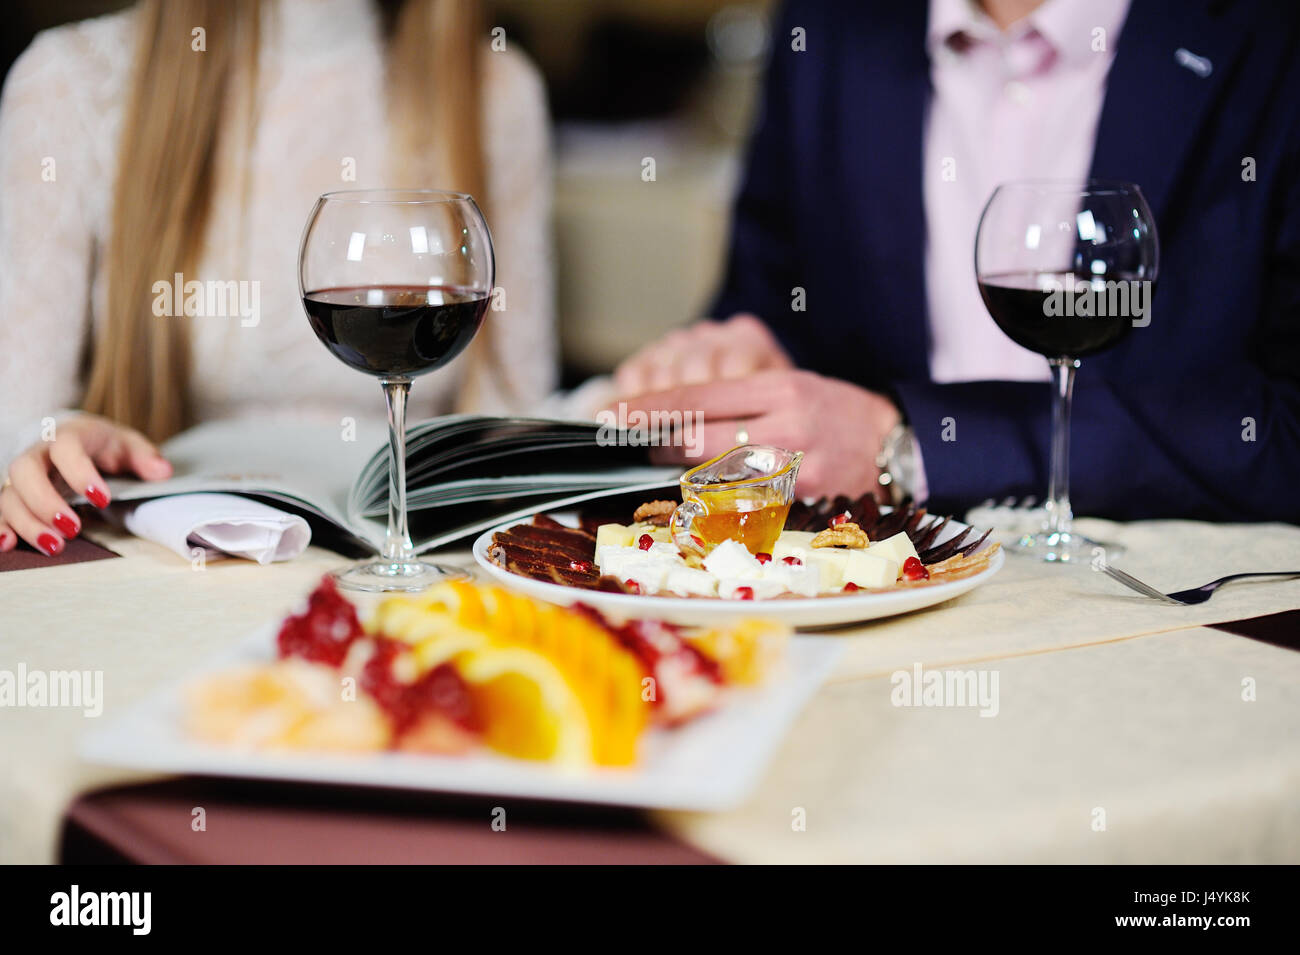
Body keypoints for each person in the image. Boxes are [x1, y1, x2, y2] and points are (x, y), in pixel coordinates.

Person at [612, 0, 1300, 522]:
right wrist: (746, 351)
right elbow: (774, 296)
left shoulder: (1270, 38)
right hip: (880, 590)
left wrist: (909, 448)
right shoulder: (826, 24)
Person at [0, 0, 556, 555]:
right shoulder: (69, 83)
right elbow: (18, 423)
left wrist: (623, 413)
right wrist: (50, 444)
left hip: (412, 577)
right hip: (180, 574)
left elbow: (512, 425)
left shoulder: (497, 89)